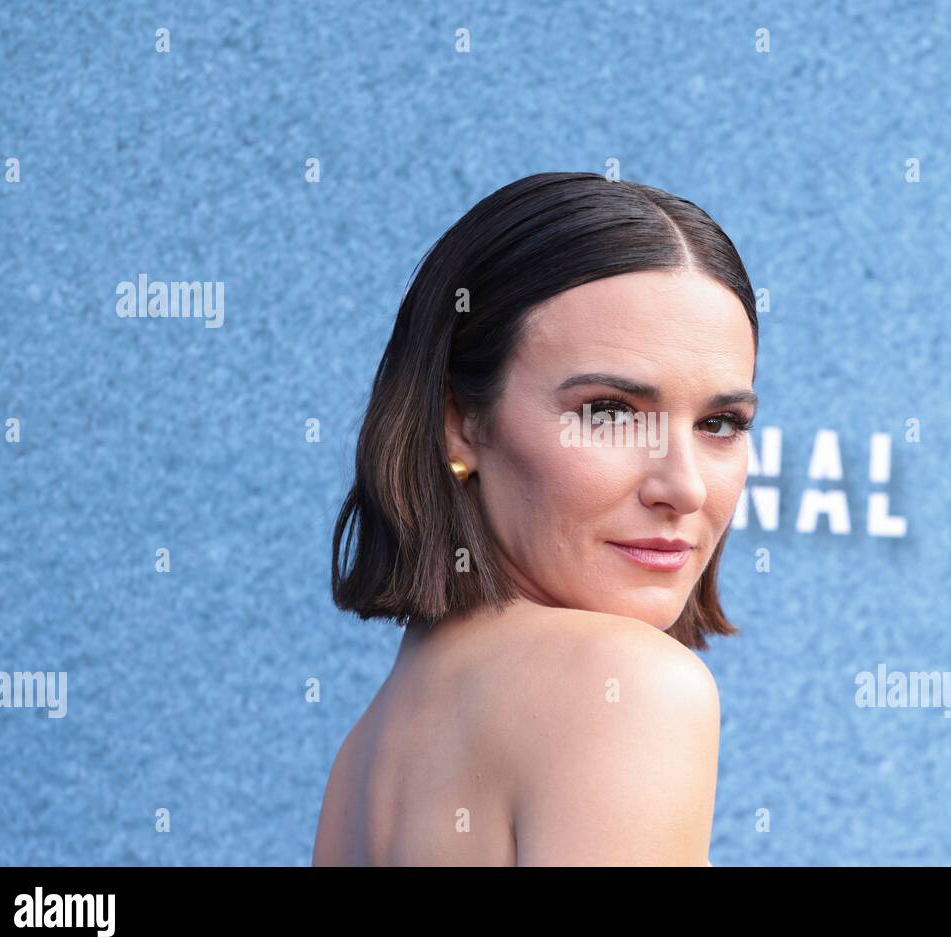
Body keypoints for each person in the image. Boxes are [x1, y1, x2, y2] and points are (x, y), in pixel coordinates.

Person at [311, 171, 759, 866]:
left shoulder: (365, 756)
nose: (685, 485)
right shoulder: (630, 687)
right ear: (462, 424)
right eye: (609, 411)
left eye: (721, 423)